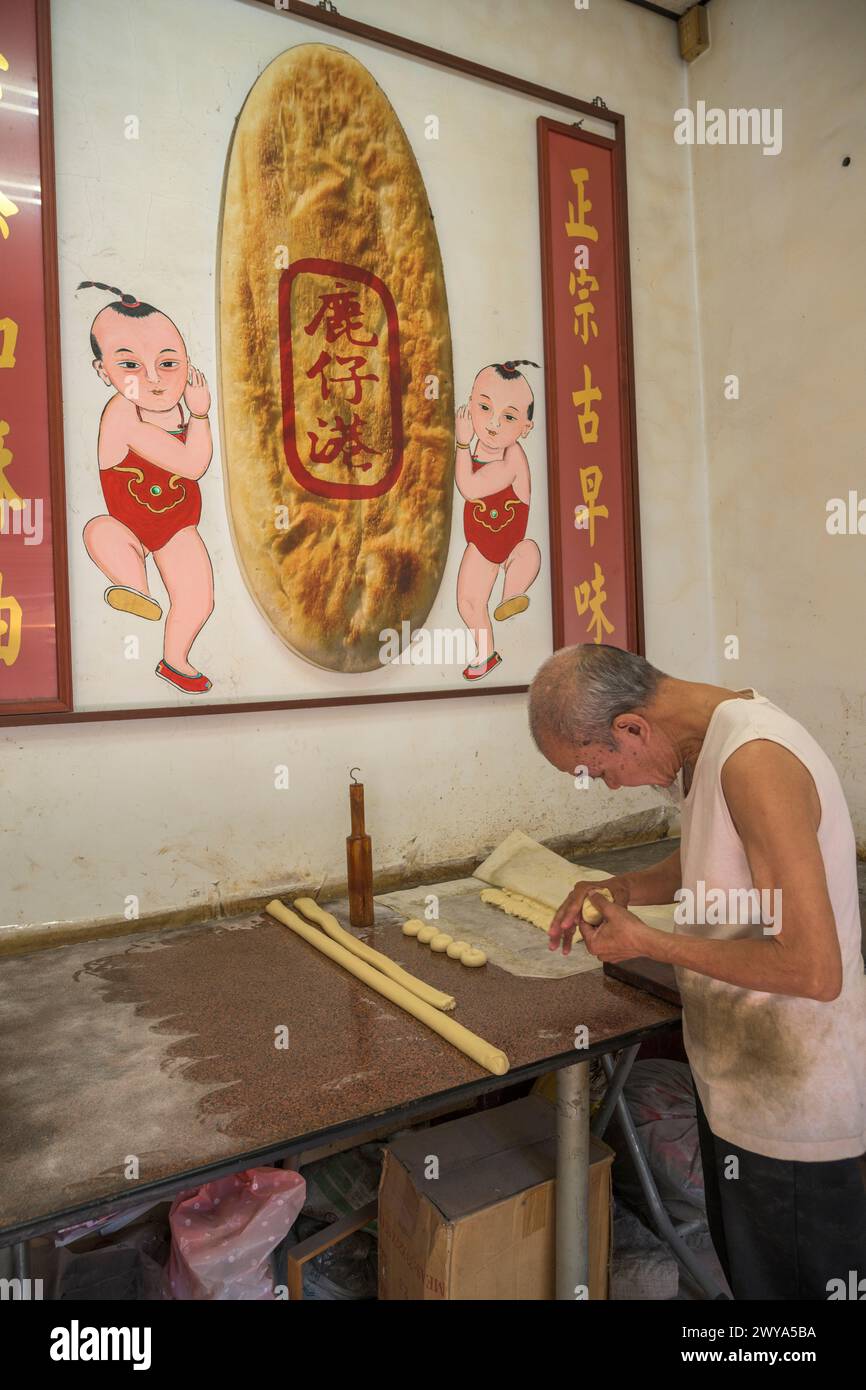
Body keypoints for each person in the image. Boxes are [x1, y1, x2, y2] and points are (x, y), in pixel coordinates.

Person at [528, 642, 866, 1300]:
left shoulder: (756, 761)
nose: (611, 787)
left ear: (631, 728)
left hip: (795, 1113)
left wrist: (652, 944)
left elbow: (815, 967)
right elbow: (715, 867)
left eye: (599, 771)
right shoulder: (708, 746)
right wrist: (624, 886)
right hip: (742, 1093)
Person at [79, 281, 214, 694]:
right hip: (130, 527)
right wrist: (202, 415)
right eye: (130, 366)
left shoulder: (178, 410)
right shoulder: (122, 415)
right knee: (100, 532)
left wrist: (195, 414)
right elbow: (192, 464)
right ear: (104, 371)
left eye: (168, 364)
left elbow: (196, 464)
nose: (153, 379)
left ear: (187, 363)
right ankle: (135, 588)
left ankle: (175, 660)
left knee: (198, 599)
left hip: (177, 526)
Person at [455, 362, 541, 681]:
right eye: (484, 407)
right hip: (481, 541)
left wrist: (462, 444)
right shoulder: (483, 445)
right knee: (467, 601)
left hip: (507, 540)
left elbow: (470, 486)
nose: (492, 424)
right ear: (471, 403)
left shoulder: (512, 457)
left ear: (526, 427)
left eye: (508, 417)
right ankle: (485, 654)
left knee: (526, 552)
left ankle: (511, 593)